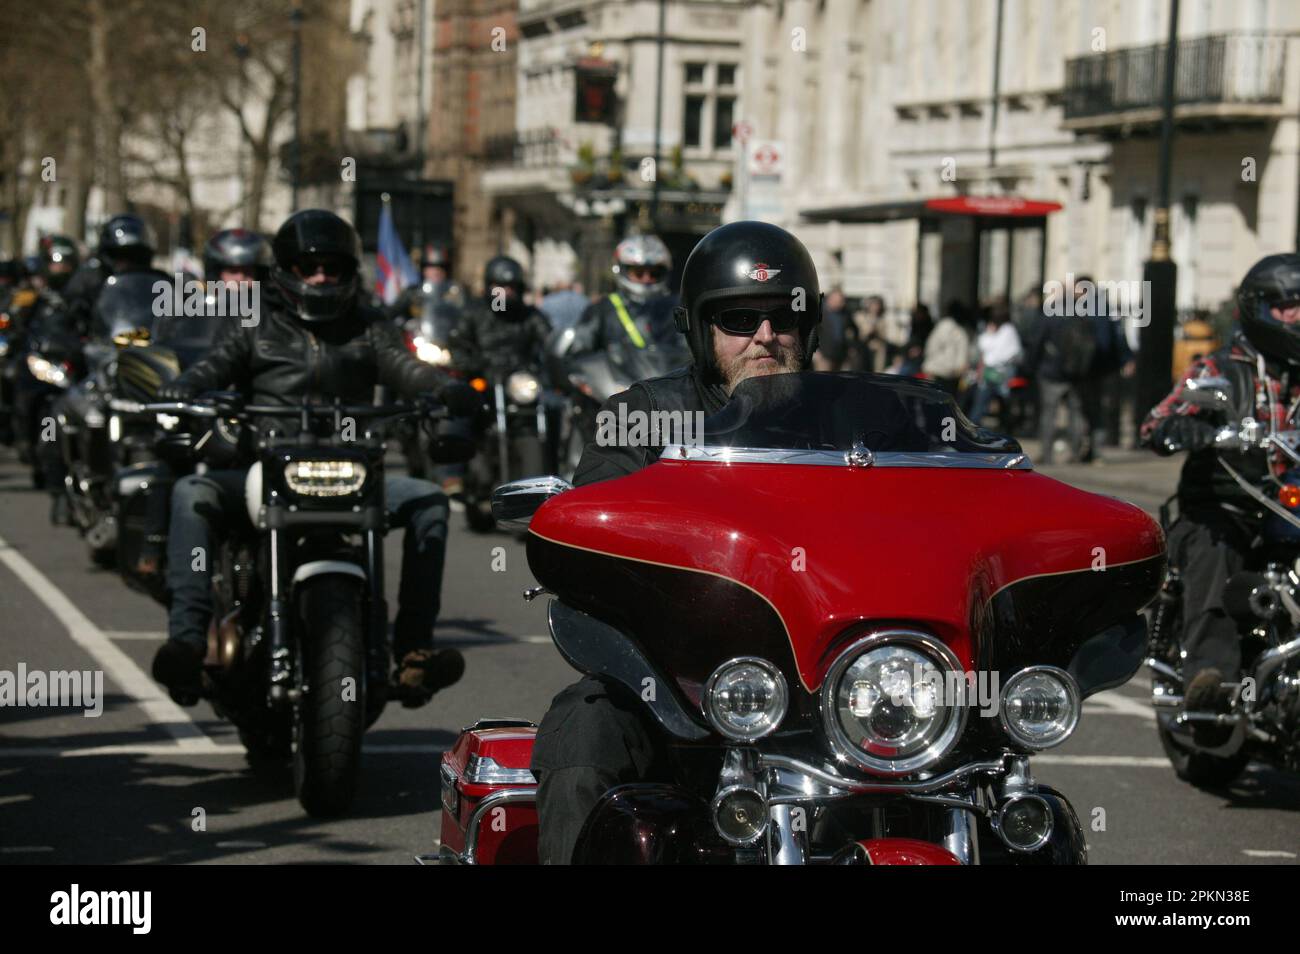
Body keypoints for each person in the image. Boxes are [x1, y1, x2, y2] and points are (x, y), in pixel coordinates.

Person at [530, 220, 821, 862]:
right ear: (699, 329)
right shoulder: (644, 416)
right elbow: (589, 525)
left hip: (823, 678)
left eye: (784, 318)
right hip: (670, 674)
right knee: (583, 737)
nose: (765, 337)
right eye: (740, 319)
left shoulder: (850, 430)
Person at [149, 209, 476, 708]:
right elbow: (213, 368)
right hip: (266, 466)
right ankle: (189, 641)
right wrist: (182, 389)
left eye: (332, 267)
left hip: (353, 470)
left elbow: (406, 369)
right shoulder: (256, 325)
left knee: (429, 501)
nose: (321, 276)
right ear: (286, 271)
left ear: (349, 272)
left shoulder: (368, 328)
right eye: (309, 267)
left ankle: (413, 652)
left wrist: (443, 390)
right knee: (192, 490)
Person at [1140, 253, 1300, 742]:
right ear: (1256, 307)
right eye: (1285, 305)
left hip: (1289, 511)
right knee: (1214, 550)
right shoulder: (1220, 368)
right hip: (1227, 504)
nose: (1295, 315)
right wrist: (1186, 426)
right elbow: (1157, 421)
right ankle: (1212, 678)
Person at [559, 234, 678, 359]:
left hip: (669, 377)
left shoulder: (676, 308)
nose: (646, 279)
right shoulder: (602, 310)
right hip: (619, 378)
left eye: (654, 273)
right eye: (638, 273)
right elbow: (580, 351)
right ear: (622, 270)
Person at [968, 299, 1023, 426]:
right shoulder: (993, 330)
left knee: (989, 402)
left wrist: (989, 336)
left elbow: (1000, 354)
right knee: (984, 402)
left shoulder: (1008, 331)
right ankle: (975, 425)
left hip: (999, 374)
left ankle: (976, 425)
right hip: (990, 373)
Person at [386, 244, 465, 324]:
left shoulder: (455, 292)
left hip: (447, 334)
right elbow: (390, 313)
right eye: (431, 266)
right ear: (424, 269)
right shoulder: (412, 293)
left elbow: (467, 314)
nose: (437, 271)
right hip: (418, 335)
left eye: (442, 267)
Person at [922, 299, 974, 395]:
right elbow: (962, 356)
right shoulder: (961, 332)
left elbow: (930, 348)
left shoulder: (940, 328)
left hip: (935, 371)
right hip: (951, 375)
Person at [812, 287, 850, 371]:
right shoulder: (819, 312)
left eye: (843, 300)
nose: (843, 303)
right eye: (840, 301)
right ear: (830, 299)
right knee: (823, 381)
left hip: (840, 355)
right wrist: (815, 352)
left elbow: (852, 330)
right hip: (824, 356)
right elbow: (811, 332)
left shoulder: (845, 313)